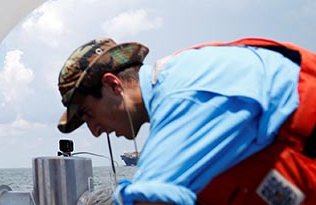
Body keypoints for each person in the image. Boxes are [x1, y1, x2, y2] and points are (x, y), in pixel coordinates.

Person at [56, 37, 316, 205]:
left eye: (88, 114)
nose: (95, 132)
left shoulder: (185, 91)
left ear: (113, 85)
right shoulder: (177, 84)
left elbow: (152, 197)